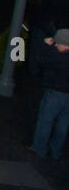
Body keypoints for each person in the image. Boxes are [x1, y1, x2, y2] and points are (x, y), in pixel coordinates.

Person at [31, 29, 69, 159]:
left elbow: (40, 59)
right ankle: (55, 151)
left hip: (55, 93)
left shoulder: (58, 56)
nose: (56, 45)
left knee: (45, 121)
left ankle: (39, 149)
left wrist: (45, 45)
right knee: (63, 124)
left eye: (58, 43)